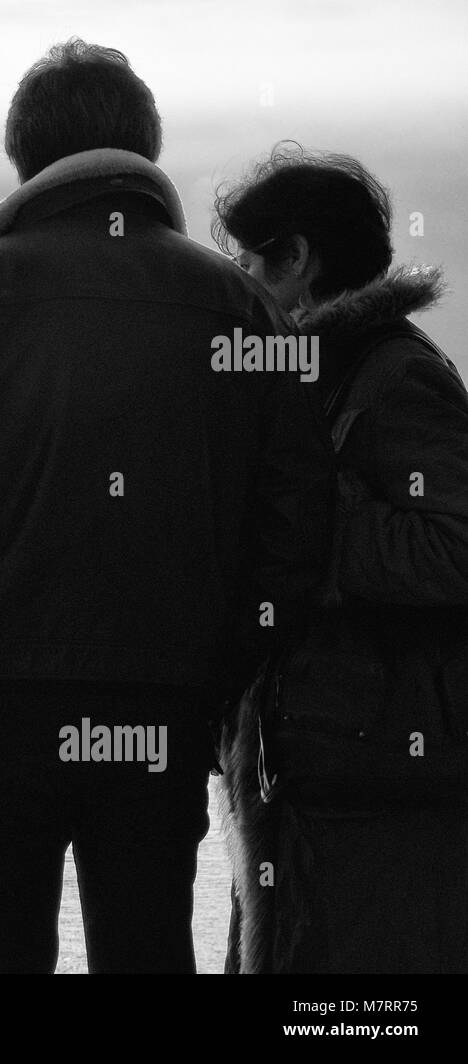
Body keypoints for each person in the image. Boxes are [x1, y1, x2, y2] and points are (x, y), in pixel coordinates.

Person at [0, 40, 334, 973]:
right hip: (159, 706)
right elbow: (296, 525)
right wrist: (218, 675)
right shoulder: (241, 310)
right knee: (149, 948)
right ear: (144, 153)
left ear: (25, 160)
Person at [215, 145, 468, 973]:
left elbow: (455, 548)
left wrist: (302, 529)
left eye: (251, 260)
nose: (240, 282)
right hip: (323, 775)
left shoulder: (394, 378)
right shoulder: (320, 374)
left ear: (299, 260)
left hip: (379, 787)